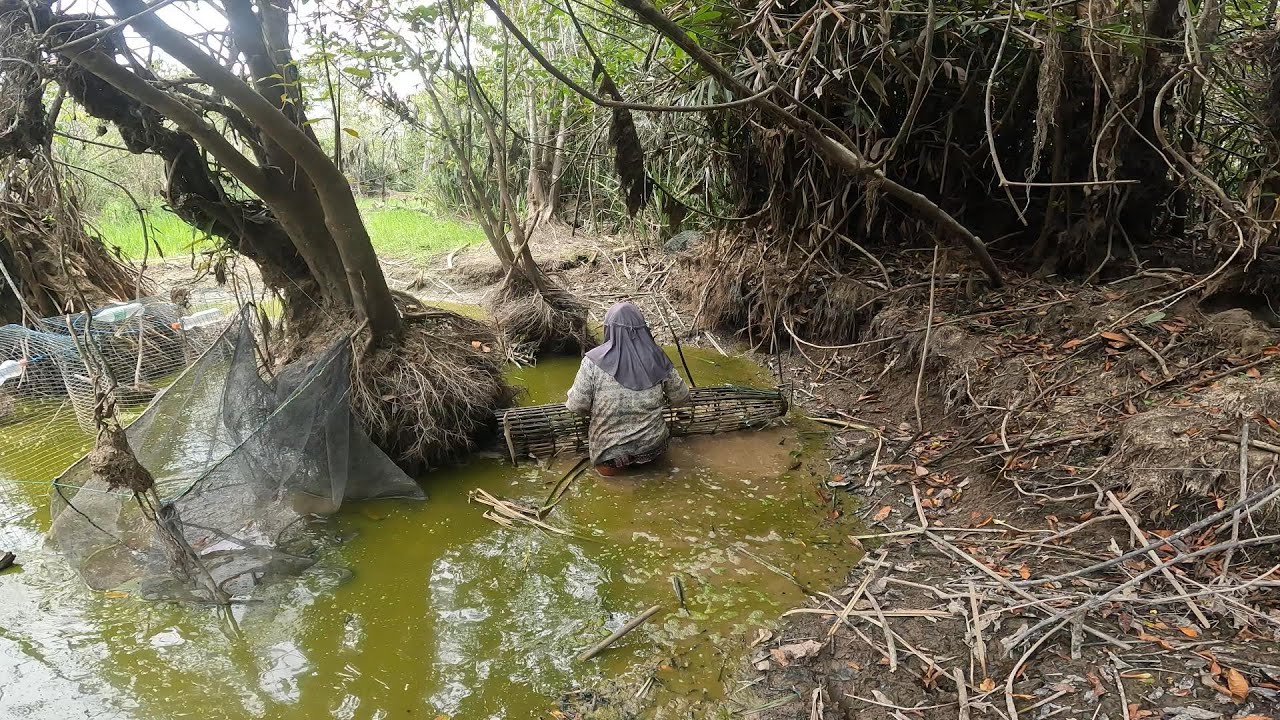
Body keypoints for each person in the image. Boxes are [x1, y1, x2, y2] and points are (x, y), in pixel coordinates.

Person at [566, 302, 691, 476]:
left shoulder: (592, 362)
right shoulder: (658, 358)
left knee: (614, 491)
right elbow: (681, 397)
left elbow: (576, 406)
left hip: (611, 457)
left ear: (608, 328)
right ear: (642, 328)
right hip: (653, 449)